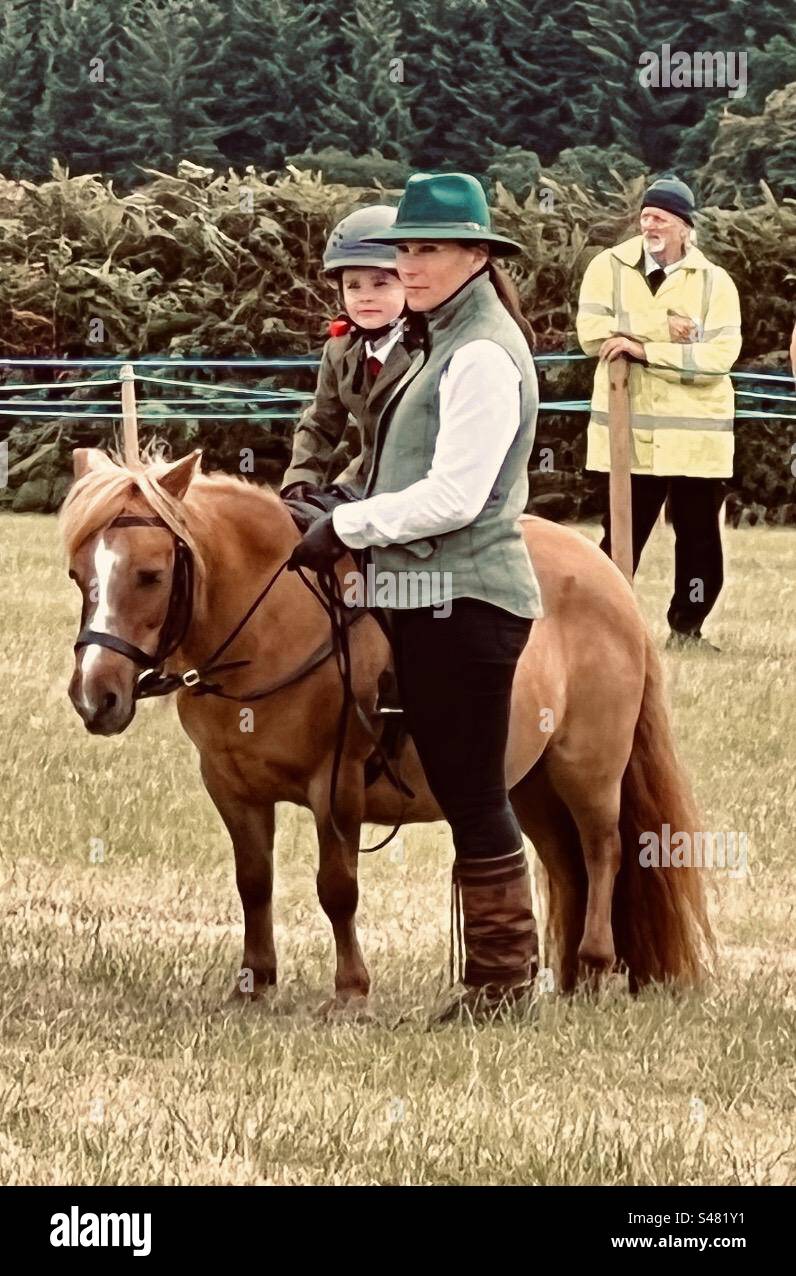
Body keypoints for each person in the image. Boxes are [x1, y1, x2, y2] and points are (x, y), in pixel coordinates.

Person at [288, 171, 543, 1024]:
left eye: (428, 249)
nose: (412, 264)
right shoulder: (443, 341)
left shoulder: (477, 353)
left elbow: (457, 495)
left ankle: (504, 984)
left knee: (472, 790)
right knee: (467, 783)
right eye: (404, 249)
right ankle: (498, 978)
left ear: (476, 254)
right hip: (426, 590)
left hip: (465, 597)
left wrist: (348, 526)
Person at [576, 176, 742, 651]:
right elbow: (592, 334)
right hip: (629, 437)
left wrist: (642, 351)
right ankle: (601, 632)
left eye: (661, 219)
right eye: (646, 216)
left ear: (685, 228)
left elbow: (719, 358)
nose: (650, 225)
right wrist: (666, 330)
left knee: (699, 541)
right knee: (619, 539)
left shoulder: (716, 283)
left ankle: (687, 629)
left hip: (697, 441)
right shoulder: (606, 267)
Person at [280, 204, 412, 507]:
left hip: (420, 489)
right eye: (353, 286)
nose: (365, 295)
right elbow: (321, 422)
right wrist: (301, 478)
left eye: (381, 283)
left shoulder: (431, 348)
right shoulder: (339, 349)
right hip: (360, 483)